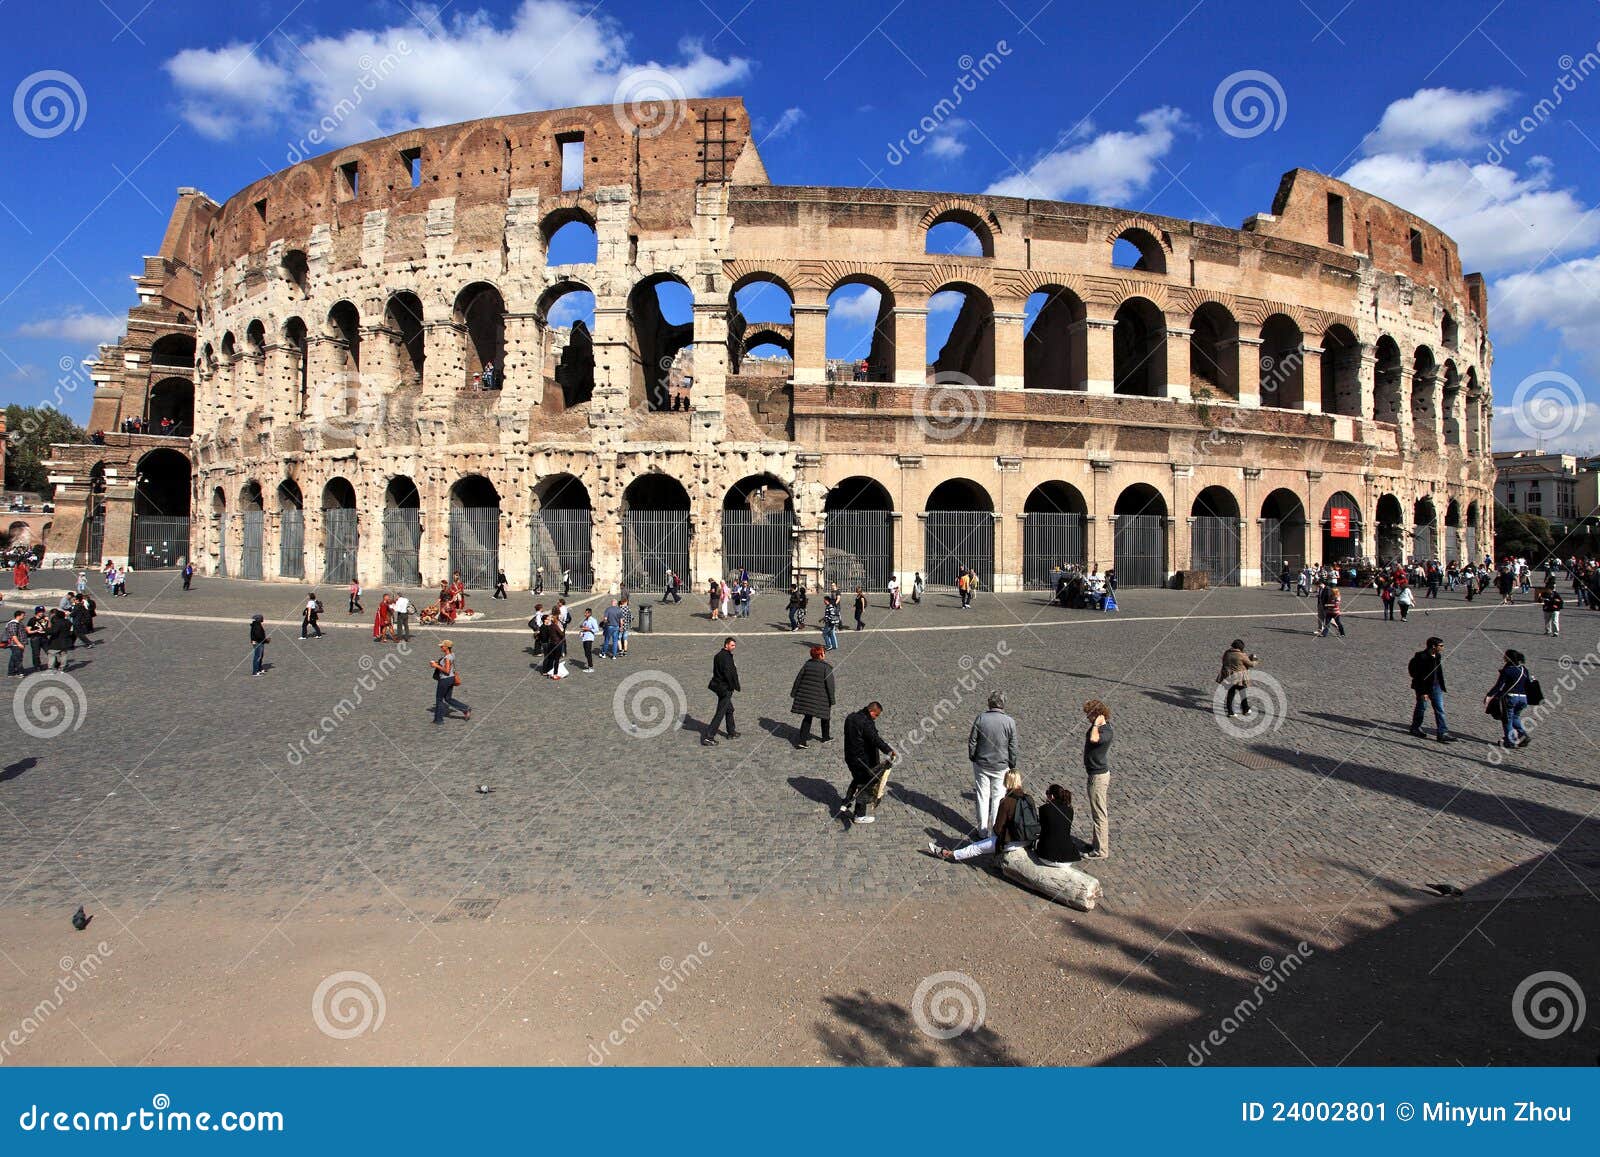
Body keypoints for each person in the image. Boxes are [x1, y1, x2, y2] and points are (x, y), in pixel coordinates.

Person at [931, 770, 1029, 861]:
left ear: (1006, 782)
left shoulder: (1006, 802)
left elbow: (998, 828)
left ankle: (948, 854)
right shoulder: (1029, 799)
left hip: (1012, 841)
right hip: (1027, 839)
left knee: (975, 847)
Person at [967, 692, 1018, 837]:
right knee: (998, 798)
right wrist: (1012, 764)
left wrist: (973, 756)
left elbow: (972, 741)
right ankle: (996, 829)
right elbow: (1013, 746)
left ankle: (982, 831)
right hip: (1001, 766)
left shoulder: (981, 718)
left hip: (982, 764)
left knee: (982, 796)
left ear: (990, 703)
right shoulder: (1009, 721)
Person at [838, 701, 894, 823]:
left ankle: (846, 802)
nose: (876, 718)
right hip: (862, 759)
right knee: (865, 784)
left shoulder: (851, 717)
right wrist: (889, 751)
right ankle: (859, 815)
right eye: (876, 715)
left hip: (850, 757)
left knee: (857, 779)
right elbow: (875, 739)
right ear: (871, 711)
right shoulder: (866, 723)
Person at [1408, 636, 1454, 742]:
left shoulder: (1437, 656)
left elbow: (1438, 672)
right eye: (1441, 646)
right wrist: (1423, 692)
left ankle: (1442, 733)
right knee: (1421, 708)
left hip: (1436, 686)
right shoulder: (1421, 657)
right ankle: (1415, 727)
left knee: (1440, 710)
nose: (1443, 647)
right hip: (1424, 688)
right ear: (1433, 646)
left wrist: (1441, 685)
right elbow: (1417, 676)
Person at [1082, 700, 1113, 859]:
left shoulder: (1105, 731)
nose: (1087, 718)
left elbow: (1094, 740)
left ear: (1098, 714)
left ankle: (1101, 850)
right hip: (1093, 773)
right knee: (1096, 812)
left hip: (1098, 776)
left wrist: (1096, 724)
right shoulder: (1101, 727)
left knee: (1099, 814)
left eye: (1090, 715)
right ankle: (1096, 844)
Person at [1484, 648, 1533, 748]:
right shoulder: (1524, 669)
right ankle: (1523, 734)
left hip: (1511, 698)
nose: (1503, 657)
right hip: (1523, 699)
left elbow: (1499, 686)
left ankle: (1510, 741)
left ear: (1509, 658)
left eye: (1505, 656)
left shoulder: (1508, 670)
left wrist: (1489, 695)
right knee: (1515, 717)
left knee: (1507, 719)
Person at [789, 644, 836, 747]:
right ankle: (825, 737)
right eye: (823, 652)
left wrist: (794, 693)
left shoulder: (807, 665)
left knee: (807, 717)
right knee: (825, 717)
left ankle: (802, 741)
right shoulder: (826, 668)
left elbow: (798, 680)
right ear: (820, 655)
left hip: (807, 697)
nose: (824, 654)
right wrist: (832, 700)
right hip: (821, 698)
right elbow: (830, 686)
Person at [702, 637, 740, 745]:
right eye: (732, 645)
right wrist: (732, 686)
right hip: (725, 688)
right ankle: (709, 737)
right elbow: (728, 673)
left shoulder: (718, 655)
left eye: (734, 645)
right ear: (726, 645)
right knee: (720, 713)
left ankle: (731, 732)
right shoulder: (726, 658)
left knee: (729, 709)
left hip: (719, 687)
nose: (734, 647)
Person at [1035, 785, 1080, 865]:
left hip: (1048, 856)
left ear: (1051, 796)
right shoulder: (1070, 809)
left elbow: (1042, 829)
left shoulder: (1044, 809)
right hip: (1068, 857)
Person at [430, 640, 471, 723]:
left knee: (439, 699)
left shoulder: (447, 658)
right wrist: (439, 662)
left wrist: (436, 665)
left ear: (446, 647)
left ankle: (438, 720)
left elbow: (447, 670)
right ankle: (465, 708)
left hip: (445, 680)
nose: (441, 647)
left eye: (442, 646)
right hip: (451, 679)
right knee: (448, 698)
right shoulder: (452, 655)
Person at [1216, 639, 1257, 718]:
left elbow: (1224, 662)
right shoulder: (1241, 655)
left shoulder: (1227, 653)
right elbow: (1251, 664)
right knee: (1242, 693)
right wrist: (1254, 659)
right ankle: (1245, 709)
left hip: (1228, 676)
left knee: (1231, 693)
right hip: (1239, 677)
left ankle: (1231, 711)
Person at [541, 612, 567, 679]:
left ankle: (550, 671)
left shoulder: (549, 627)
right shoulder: (555, 626)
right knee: (556, 659)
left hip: (551, 644)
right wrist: (562, 630)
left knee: (552, 658)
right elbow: (561, 634)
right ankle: (555, 673)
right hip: (557, 644)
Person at [4, 611, 25, 678]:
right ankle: (20, 672)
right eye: (23, 615)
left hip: (18, 643)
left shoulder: (19, 623)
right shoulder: (13, 624)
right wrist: (19, 644)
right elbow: (14, 635)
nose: (24, 617)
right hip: (15, 644)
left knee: (13, 658)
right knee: (18, 659)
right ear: (18, 616)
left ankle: (11, 672)